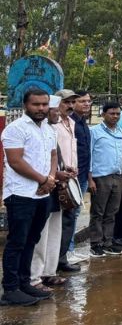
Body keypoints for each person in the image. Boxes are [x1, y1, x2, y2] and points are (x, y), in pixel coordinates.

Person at [1, 90, 57, 306]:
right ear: (26, 105)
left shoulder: (48, 129)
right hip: (20, 194)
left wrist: (50, 179)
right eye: (36, 105)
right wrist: (43, 180)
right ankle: (10, 288)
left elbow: (53, 155)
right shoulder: (15, 129)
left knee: (32, 240)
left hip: (43, 194)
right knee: (17, 242)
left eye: (44, 104)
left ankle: (25, 283)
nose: (41, 109)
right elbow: (15, 161)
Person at [30, 97, 72, 292]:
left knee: (55, 230)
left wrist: (62, 171)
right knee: (41, 234)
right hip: (42, 187)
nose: (57, 113)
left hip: (55, 186)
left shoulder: (51, 131)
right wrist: (51, 177)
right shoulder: (34, 131)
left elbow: (55, 157)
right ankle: (34, 277)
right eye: (54, 110)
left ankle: (49, 271)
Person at [87, 101, 122, 255]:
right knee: (98, 212)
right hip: (100, 177)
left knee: (112, 212)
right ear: (103, 114)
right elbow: (89, 155)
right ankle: (95, 244)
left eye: (117, 114)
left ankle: (108, 242)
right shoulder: (94, 132)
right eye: (112, 113)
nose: (115, 116)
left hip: (117, 176)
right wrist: (90, 179)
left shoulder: (120, 131)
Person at [55, 93, 81, 273]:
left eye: (73, 102)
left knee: (69, 219)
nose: (70, 105)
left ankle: (61, 258)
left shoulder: (72, 123)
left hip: (71, 178)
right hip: (56, 177)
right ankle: (52, 262)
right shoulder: (52, 124)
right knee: (56, 221)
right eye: (66, 102)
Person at [67, 90, 91, 268]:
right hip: (70, 176)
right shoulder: (69, 123)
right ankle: (67, 252)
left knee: (74, 214)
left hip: (82, 175)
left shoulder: (83, 123)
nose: (86, 104)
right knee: (69, 215)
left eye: (88, 101)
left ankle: (69, 250)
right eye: (82, 101)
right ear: (72, 103)